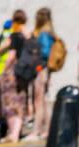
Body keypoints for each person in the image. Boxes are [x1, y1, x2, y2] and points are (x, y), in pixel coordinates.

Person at [0, 10, 28, 144]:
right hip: (24, 72)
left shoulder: (14, 36)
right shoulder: (27, 36)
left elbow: (11, 55)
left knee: (9, 104)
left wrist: (4, 71)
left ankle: (13, 134)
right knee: (20, 103)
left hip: (12, 73)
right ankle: (16, 133)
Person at [31, 8, 56, 139]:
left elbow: (45, 52)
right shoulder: (49, 32)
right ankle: (48, 130)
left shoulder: (44, 34)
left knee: (39, 100)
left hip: (41, 68)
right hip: (44, 68)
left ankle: (37, 131)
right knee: (44, 99)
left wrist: (34, 55)